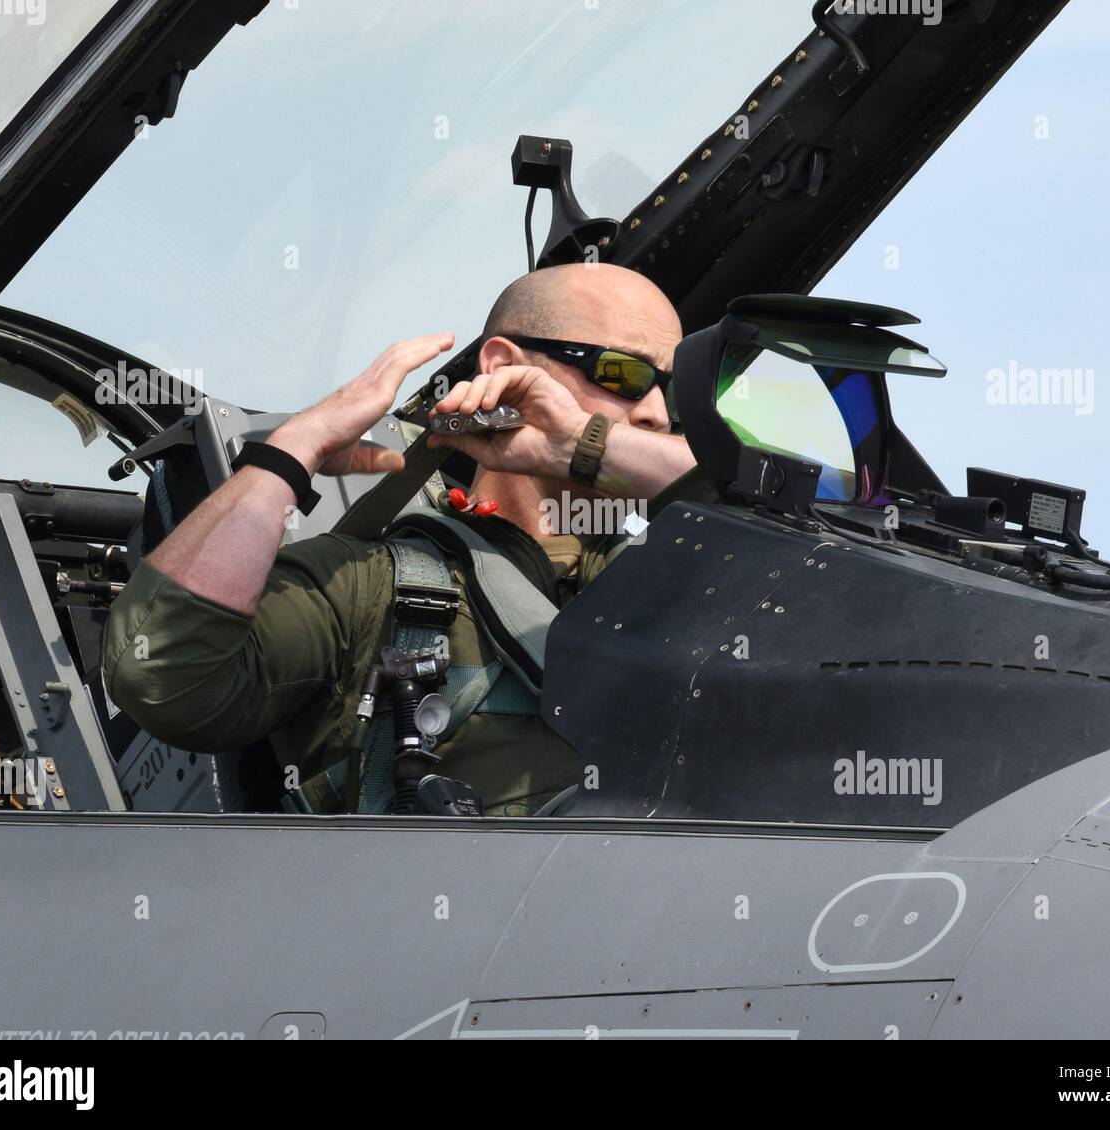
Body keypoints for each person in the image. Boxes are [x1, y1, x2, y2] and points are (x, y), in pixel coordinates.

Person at [103, 264, 695, 814]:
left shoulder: (692, 582)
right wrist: (291, 451)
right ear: (504, 368)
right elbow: (161, 672)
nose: (655, 413)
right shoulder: (372, 587)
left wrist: (586, 447)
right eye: (623, 374)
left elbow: (775, 501)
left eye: (672, 389)